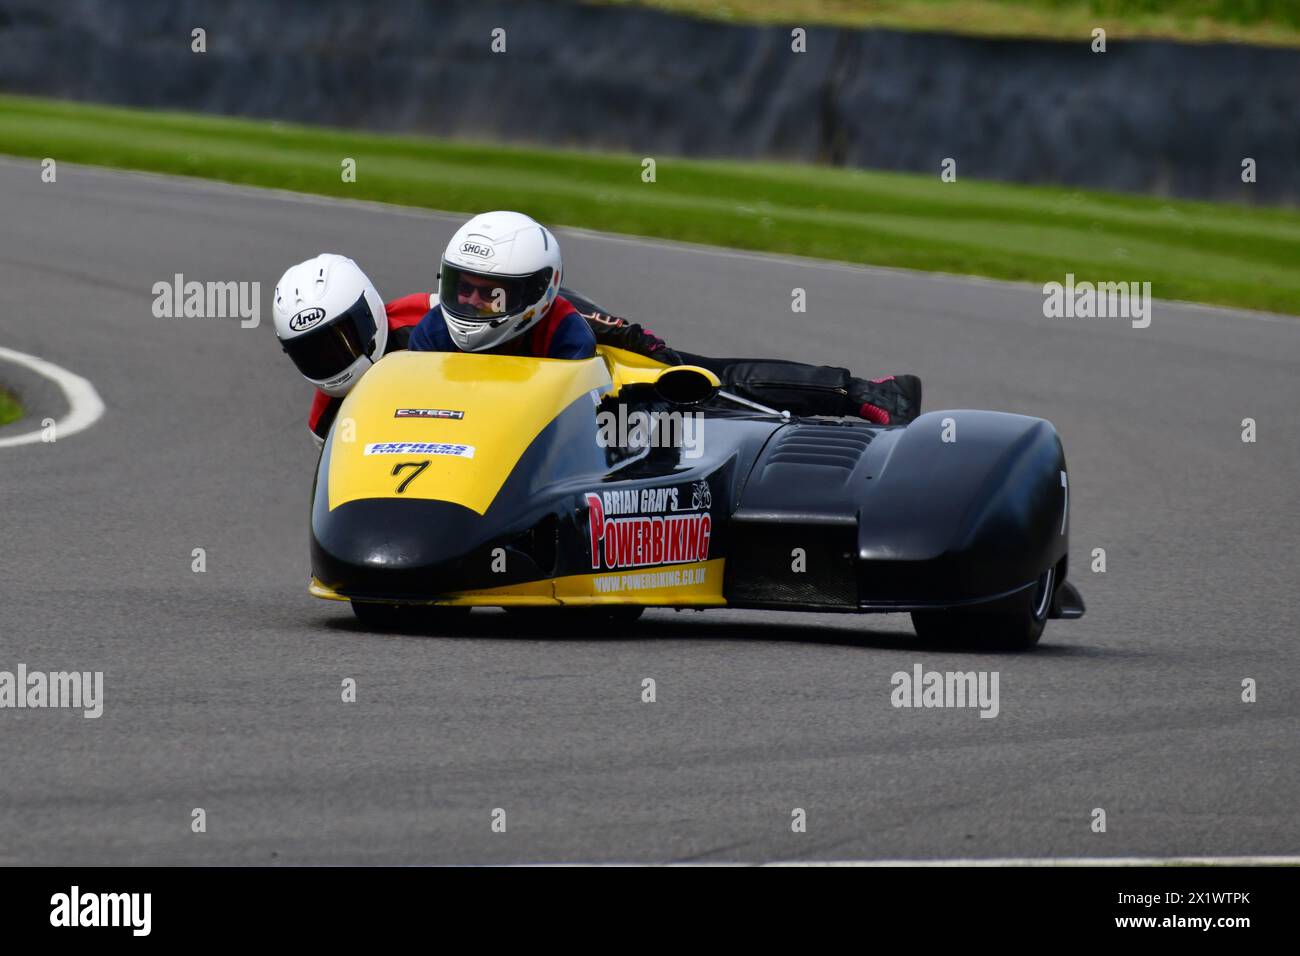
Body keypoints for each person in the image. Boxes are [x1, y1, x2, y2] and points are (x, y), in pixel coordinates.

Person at [271, 253, 433, 447]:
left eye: (342, 339)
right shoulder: (324, 424)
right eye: (312, 353)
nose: (331, 357)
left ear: (368, 312)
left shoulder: (428, 318)